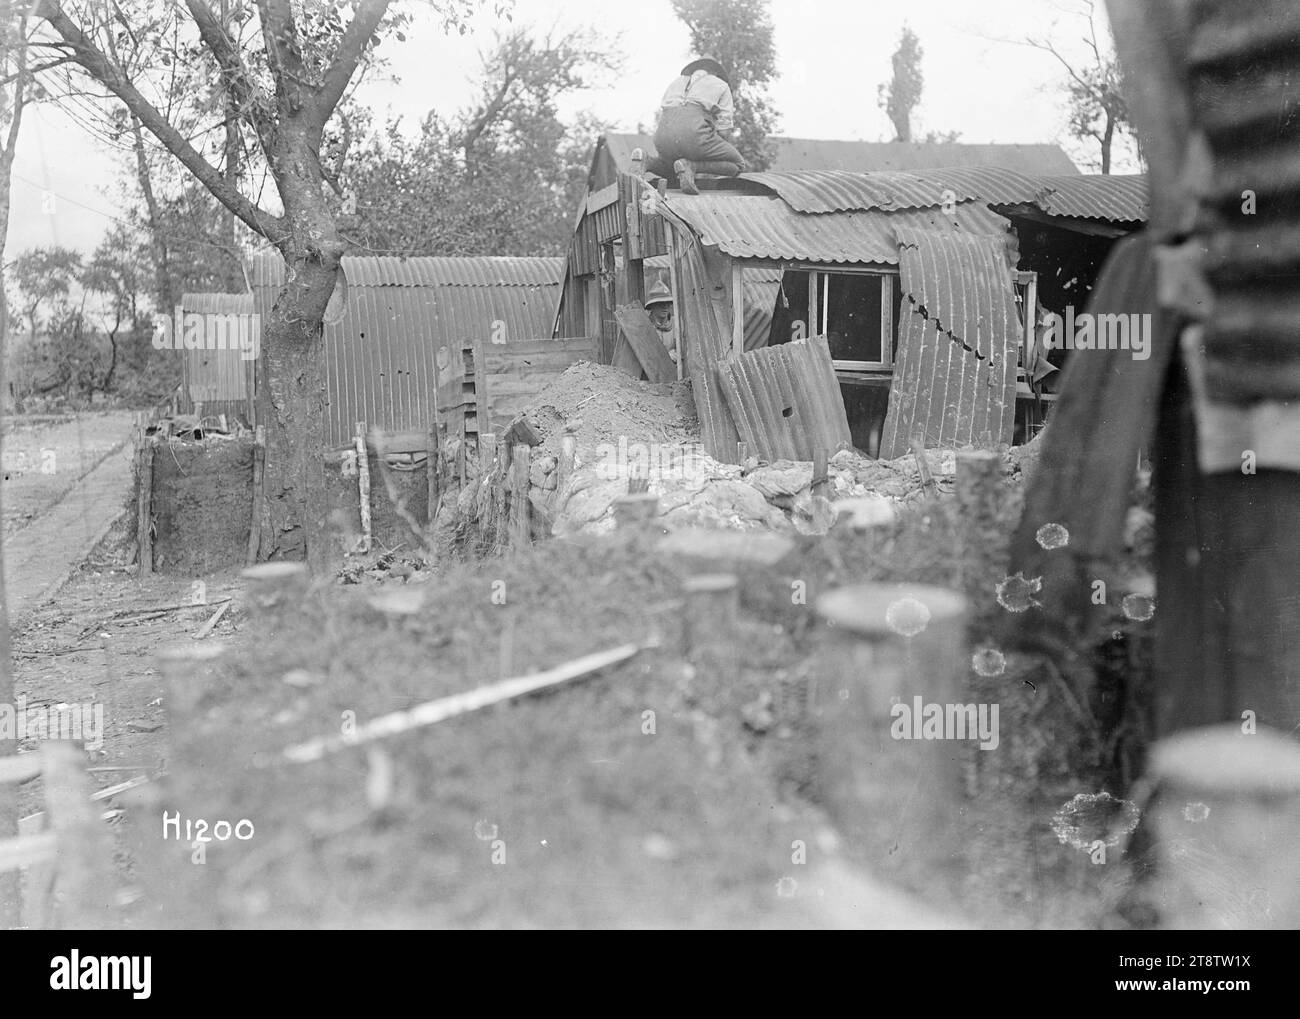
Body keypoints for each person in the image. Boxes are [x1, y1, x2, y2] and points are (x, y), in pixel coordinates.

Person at [649, 56, 746, 194]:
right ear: (715, 72)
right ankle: (691, 166)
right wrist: (707, 151)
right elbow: (724, 133)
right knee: (738, 164)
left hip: (662, 137)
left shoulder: (675, 83)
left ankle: (647, 161)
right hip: (694, 135)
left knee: (671, 168)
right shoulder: (721, 85)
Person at [645, 279, 678, 363]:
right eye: (661, 303)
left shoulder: (677, 324)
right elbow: (644, 354)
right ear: (652, 306)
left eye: (668, 303)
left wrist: (677, 353)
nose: (665, 306)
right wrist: (666, 356)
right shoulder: (645, 326)